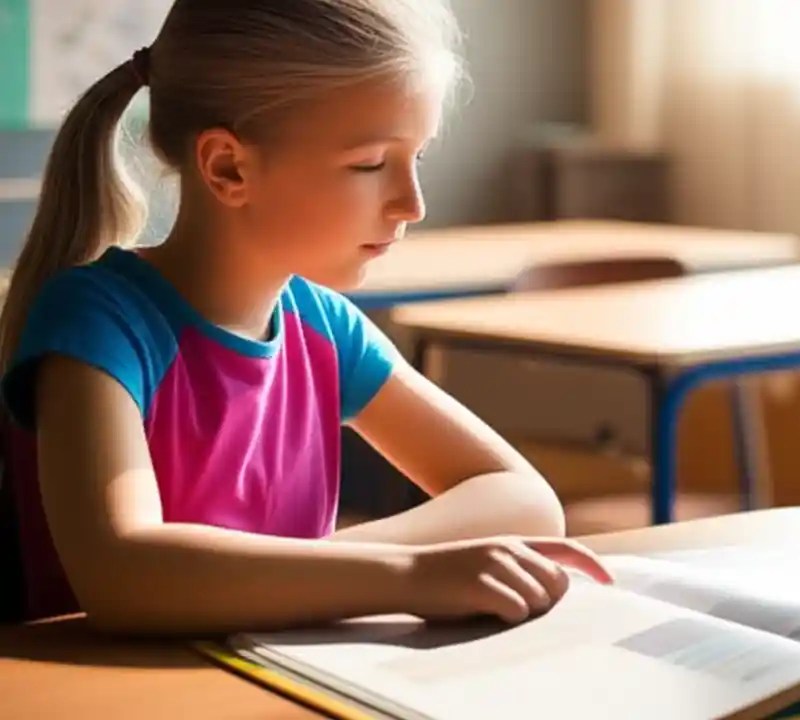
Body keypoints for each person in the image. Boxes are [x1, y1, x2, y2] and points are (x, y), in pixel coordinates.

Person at [0, 0, 611, 635]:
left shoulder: (325, 328)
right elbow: (121, 573)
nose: (413, 203)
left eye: (417, 158)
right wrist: (407, 574)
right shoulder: (98, 321)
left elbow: (527, 502)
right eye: (371, 164)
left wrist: (322, 571)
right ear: (228, 166)